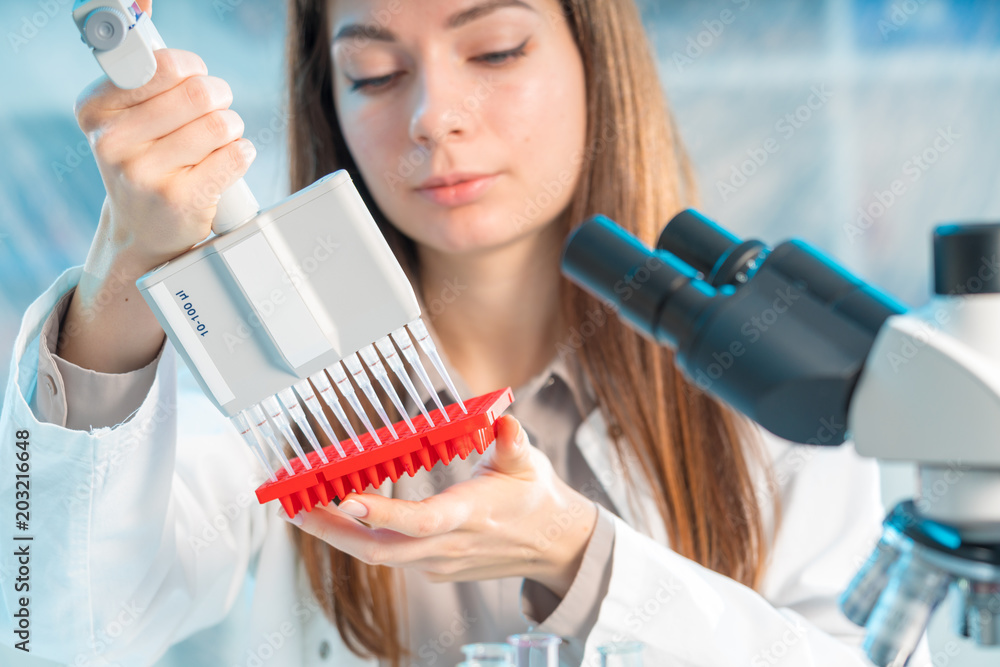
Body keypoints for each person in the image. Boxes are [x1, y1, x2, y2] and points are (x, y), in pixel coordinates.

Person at [0, 0, 899, 665]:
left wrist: (583, 559)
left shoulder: (764, 378)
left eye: (496, 49)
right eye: (376, 74)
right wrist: (126, 266)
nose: (434, 115)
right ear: (333, 105)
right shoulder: (267, 402)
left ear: (597, 58)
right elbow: (56, 634)